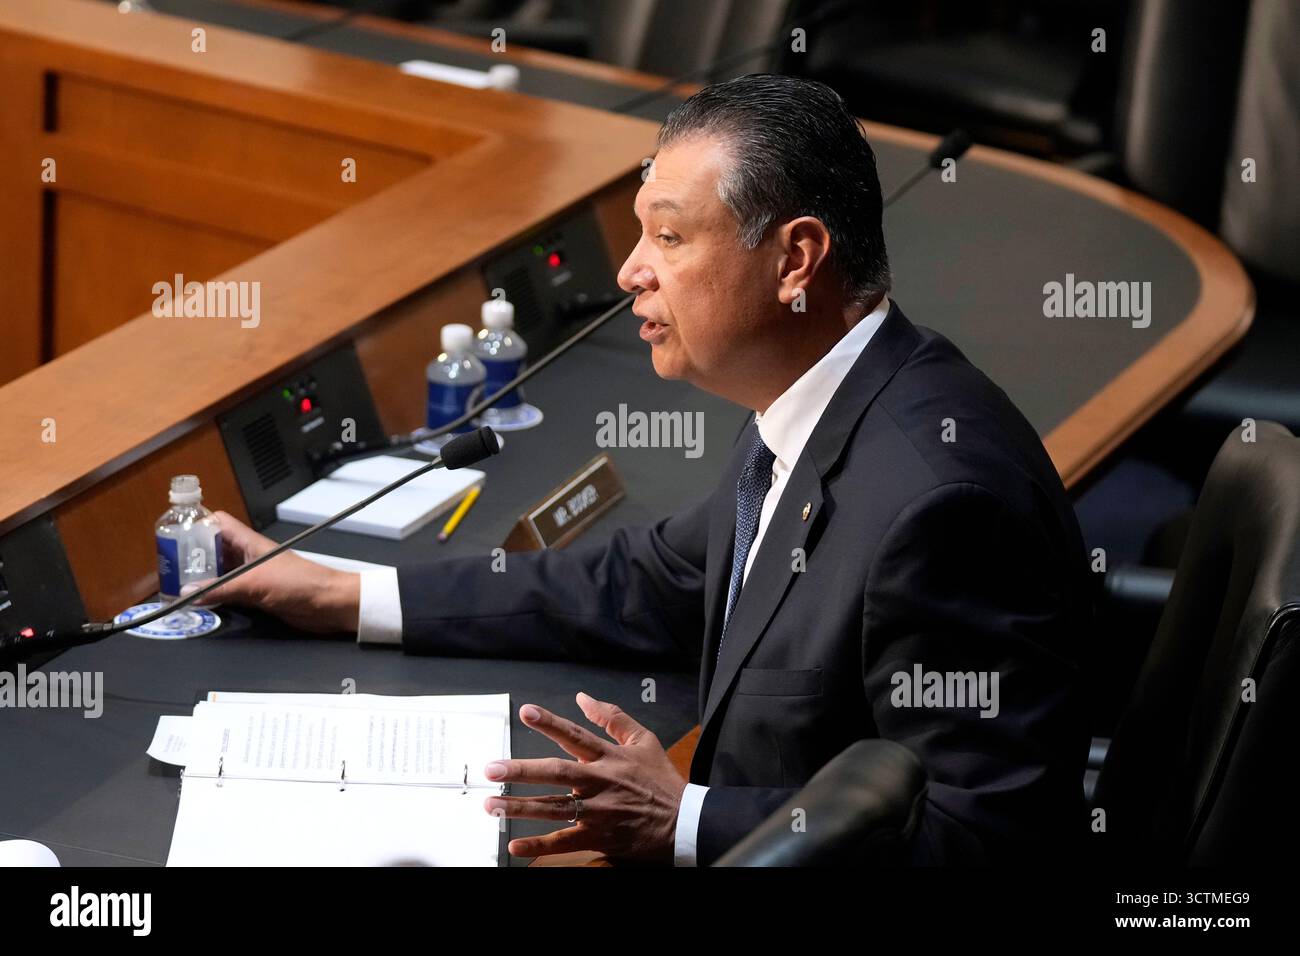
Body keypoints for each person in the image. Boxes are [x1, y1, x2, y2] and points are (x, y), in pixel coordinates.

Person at [197, 74, 1092, 866]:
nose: (630, 273)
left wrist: (689, 818)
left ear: (796, 259)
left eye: (669, 239)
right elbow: (649, 580)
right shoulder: (812, 398)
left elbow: (987, 842)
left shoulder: (941, 507)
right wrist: (348, 596)